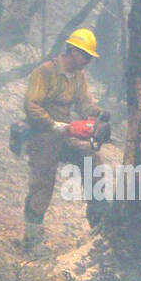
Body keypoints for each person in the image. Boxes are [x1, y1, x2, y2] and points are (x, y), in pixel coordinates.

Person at [21, 28, 105, 255]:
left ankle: (100, 221)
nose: (87, 61)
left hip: (64, 133)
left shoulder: (78, 77)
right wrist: (51, 124)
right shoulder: (45, 72)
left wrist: (99, 115)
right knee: (42, 183)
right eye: (85, 56)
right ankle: (32, 239)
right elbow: (31, 105)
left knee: (91, 159)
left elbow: (84, 105)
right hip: (42, 133)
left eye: (90, 57)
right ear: (72, 50)